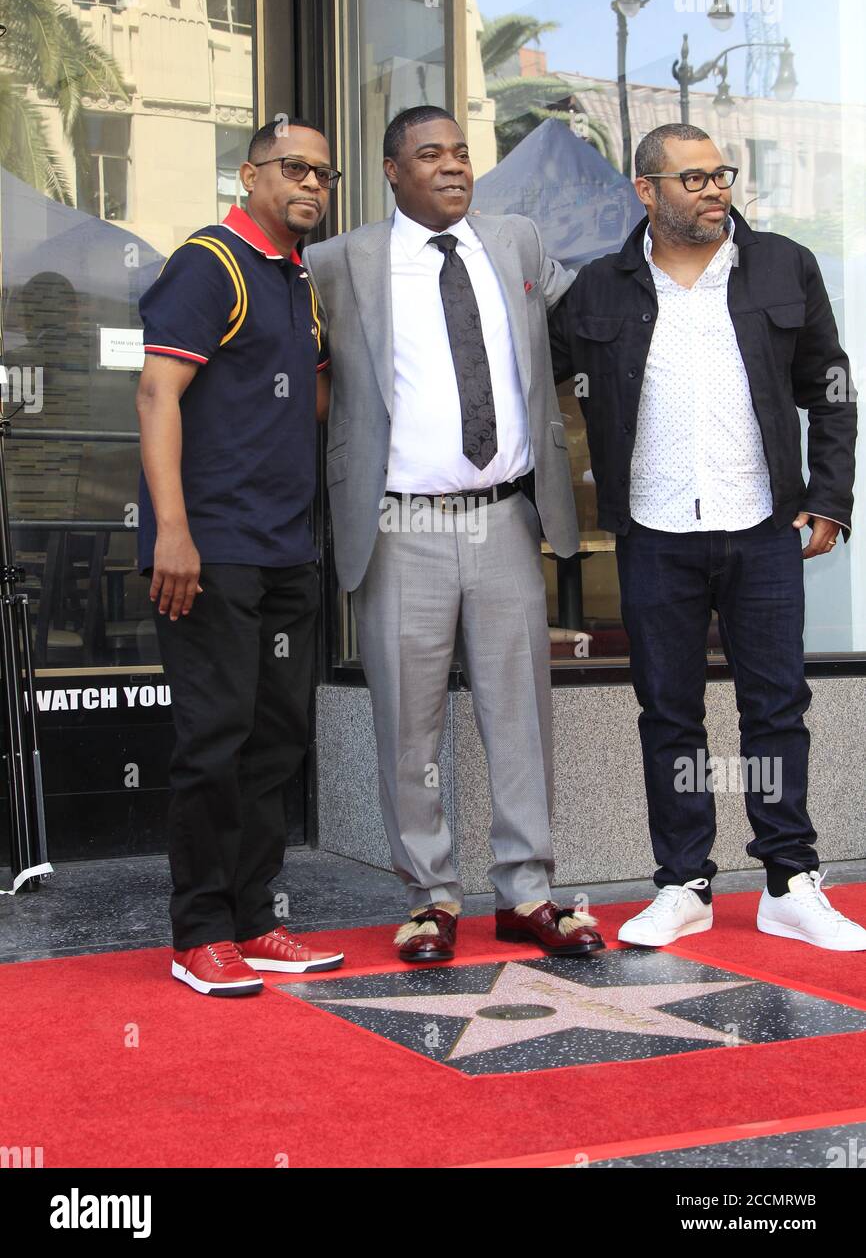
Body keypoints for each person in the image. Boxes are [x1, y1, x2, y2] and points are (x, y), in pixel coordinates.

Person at [550, 122, 866, 952]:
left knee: (777, 707)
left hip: (763, 525)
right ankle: (683, 884)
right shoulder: (598, 289)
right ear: (646, 190)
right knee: (668, 711)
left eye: (720, 173)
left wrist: (830, 499)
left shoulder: (784, 266)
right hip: (654, 532)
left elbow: (832, 388)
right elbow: (532, 381)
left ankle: (789, 881)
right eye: (692, 178)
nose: (715, 189)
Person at [305, 105, 604, 963]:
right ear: (392, 172)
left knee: (521, 714)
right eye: (430, 154)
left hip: (506, 515)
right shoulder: (339, 263)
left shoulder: (517, 244)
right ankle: (429, 898)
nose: (452, 167)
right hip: (399, 523)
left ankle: (527, 892)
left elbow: (592, 319)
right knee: (409, 721)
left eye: (462, 153)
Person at [136, 119, 345, 995]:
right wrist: (172, 530)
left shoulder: (297, 279)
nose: (312, 184)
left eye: (324, 174)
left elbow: (312, 394)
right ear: (250, 175)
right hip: (212, 548)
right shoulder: (209, 262)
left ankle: (256, 918)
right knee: (214, 738)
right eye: (294, 168)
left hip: (287, 548)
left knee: (275, 739)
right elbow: (157, 394)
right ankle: (200, 934)